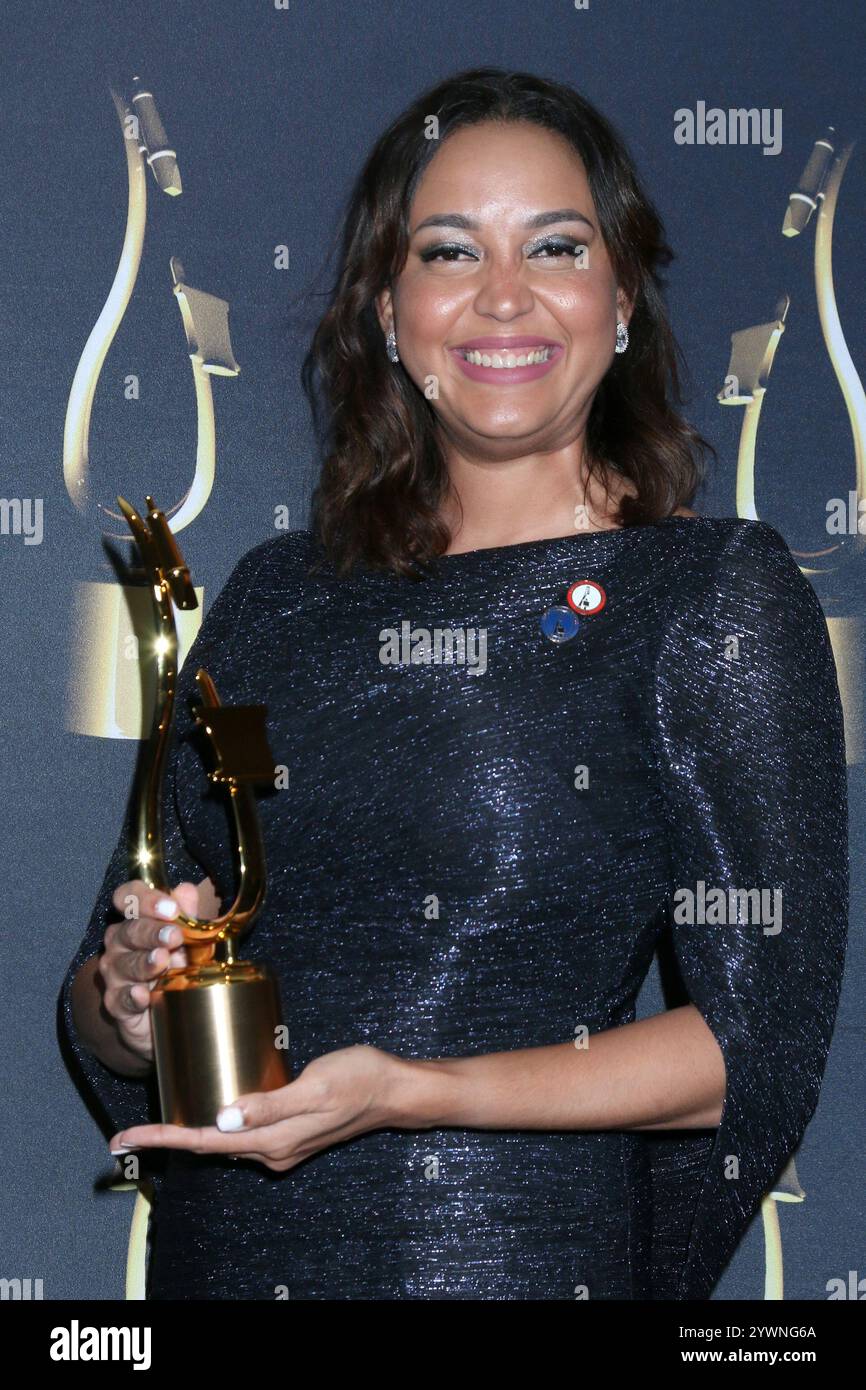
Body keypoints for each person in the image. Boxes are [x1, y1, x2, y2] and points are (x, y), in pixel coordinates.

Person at [61, 67, 848, 1301]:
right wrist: (125, 998)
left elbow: (752, 1048)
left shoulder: (708, 595)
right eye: (447, 251)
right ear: (387, 310)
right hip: (225, 1269)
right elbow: (114, 995)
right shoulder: (275, 597)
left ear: (621, 299)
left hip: (511, 1267)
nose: (502, 295)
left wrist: (412, 1093)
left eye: (554, 246)